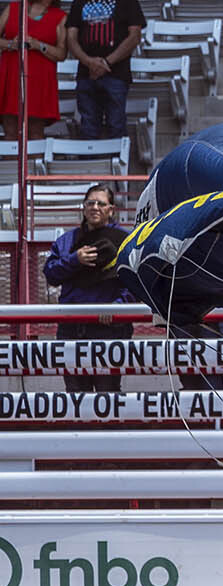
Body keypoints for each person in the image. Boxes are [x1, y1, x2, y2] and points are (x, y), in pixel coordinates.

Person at [43, 184, 134, 392]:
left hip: (110, 328)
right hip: (71, 327)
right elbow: (51, 274)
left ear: (111, 209)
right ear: (83, 208)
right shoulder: (66, 241)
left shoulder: (126, 240)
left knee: (107, 392)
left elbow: (134, 283)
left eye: (101, 204)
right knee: (75, 393)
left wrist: (117, 307)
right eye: (90, 203)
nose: (94, 207)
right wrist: (75, 260)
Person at [65, 0, 144, 140]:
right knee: (87, 128)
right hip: (86, 74)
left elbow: (134, 36)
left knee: (116, 125)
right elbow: (71, 38)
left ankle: (117, 154)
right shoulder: (79, 2)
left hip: (116, 74)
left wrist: (106, 62)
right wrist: (89, 62)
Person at [0, 0, 68, 141]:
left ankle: (35, 157)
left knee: (35, 132)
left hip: (39, 81)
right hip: (12, 77)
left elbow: (61, 54)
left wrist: (38, 45)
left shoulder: (60, 16)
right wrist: (11, 44)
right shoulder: (14, 8)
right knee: (10, 131)